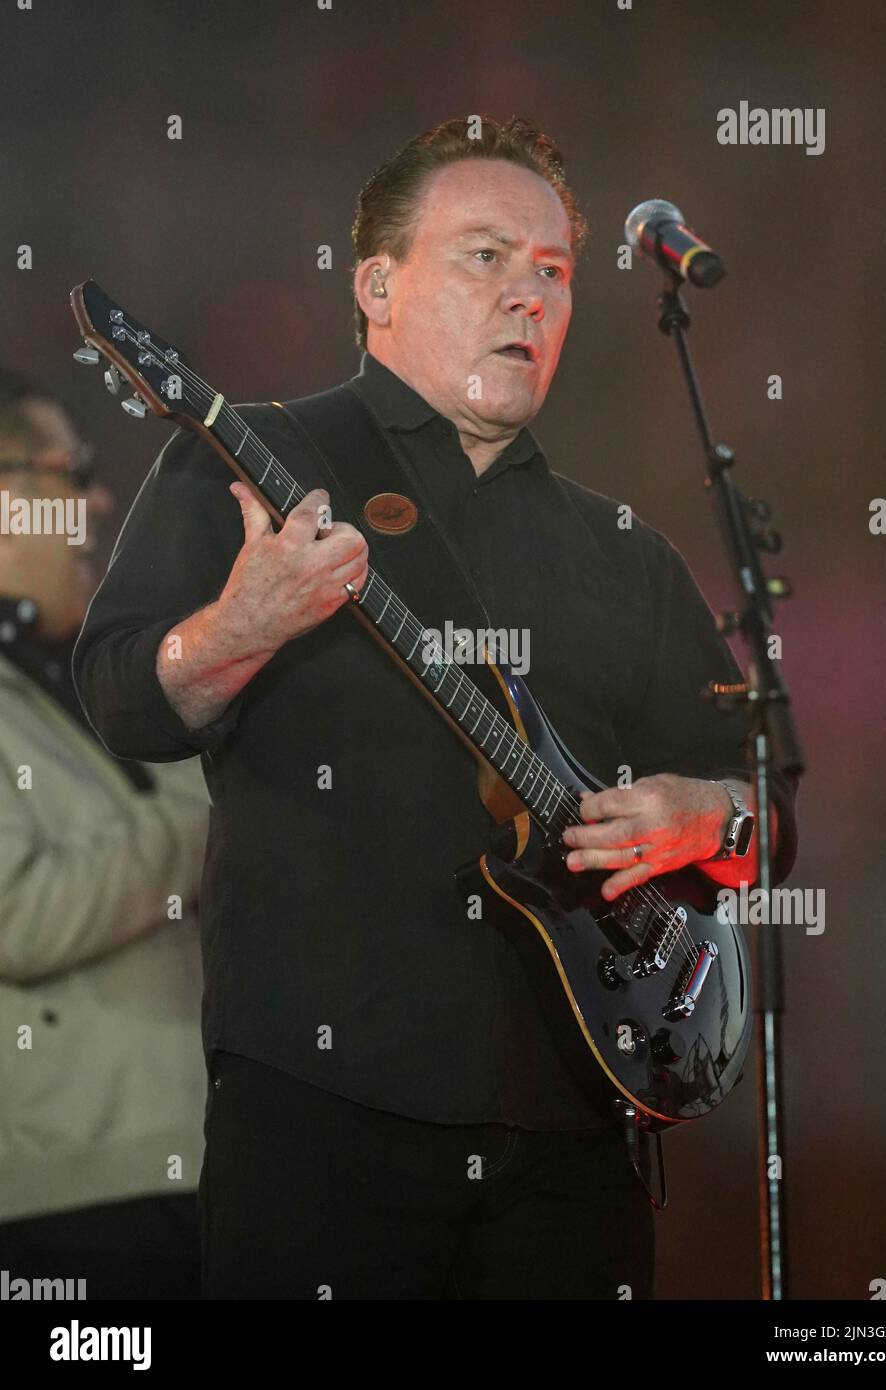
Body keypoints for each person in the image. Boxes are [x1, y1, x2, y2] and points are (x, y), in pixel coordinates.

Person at [73, 116, 798, 1300]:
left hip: (581, 1130)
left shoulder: (625, 550)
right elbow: (124, 701)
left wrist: (706, 812)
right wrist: (246, 622)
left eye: (555, 272)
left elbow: (771, 807)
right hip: (326, 1115)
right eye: (485, 257)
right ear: (375, 284)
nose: (531, 296)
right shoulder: (253, 459)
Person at [0, 369, 209, 1298]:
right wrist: (212, 819)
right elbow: (22, 915)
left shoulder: (75, 672)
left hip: (185, 1167)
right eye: (67, 471)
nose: (97, 498)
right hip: (75, 1206)